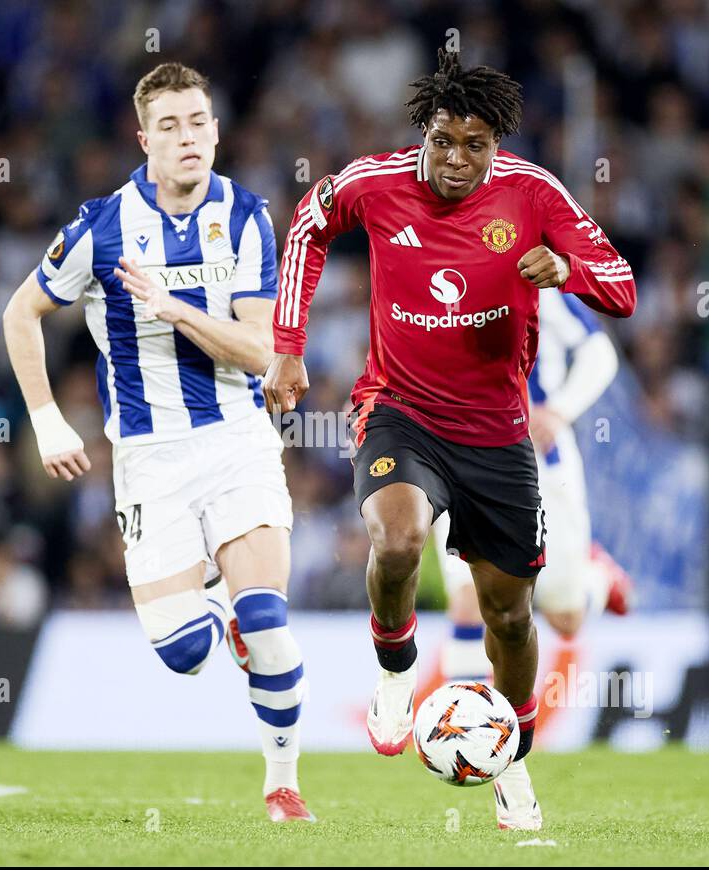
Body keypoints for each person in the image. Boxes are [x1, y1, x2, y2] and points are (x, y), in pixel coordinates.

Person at [264, 50, 636, 829]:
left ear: (497, 146)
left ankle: (515, 763)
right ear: (422, 135)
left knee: (509, 616)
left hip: (497, 436)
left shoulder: (534, 194)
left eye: (474, 144)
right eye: (442, 140)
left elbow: (622, 286)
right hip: (399, 411)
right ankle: (396, 671)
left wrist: (564, 266)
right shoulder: (376, 182)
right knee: (395, 542)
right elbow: (307, 223)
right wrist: (289, 344)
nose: (456, 158)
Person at [2, 63, 313, 820]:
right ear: (144, 139)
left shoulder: (244, 214)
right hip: (149, 458)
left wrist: (173, 307)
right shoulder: (102, 225)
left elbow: (262, 350)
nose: (187, 138)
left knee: (268, 621)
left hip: (238, 438)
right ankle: (212, 605)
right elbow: (19, 313)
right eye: (169, 126)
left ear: (216, 128)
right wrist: (45, 416)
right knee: (184, 654)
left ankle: (283, 784)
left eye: (198, 121)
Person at [435, 288, 633, 683]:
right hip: (459, 456)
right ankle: (468, 735)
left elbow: (600, 353)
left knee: (566, 615)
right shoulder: (428, 274)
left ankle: (597, 577)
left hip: (538, 460)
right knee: (468, 598)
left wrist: (559, 410)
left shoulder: (533, 282)